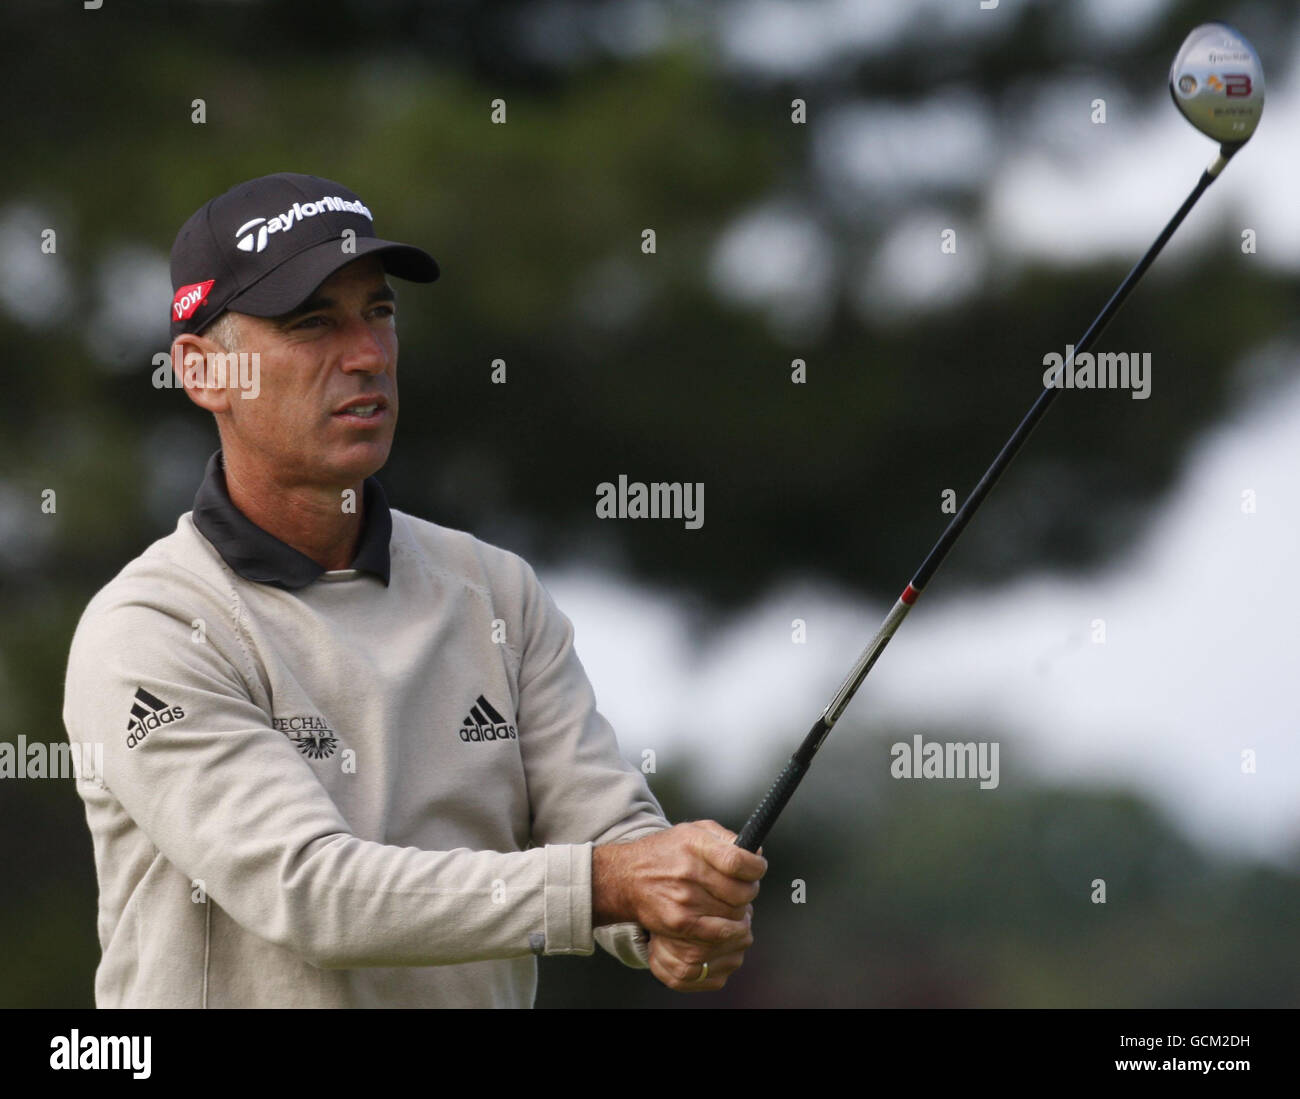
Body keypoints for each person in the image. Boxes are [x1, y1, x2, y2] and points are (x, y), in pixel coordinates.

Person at [61, 172, 766, 1008]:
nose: (365, 354)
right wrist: (610, 887)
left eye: (379, 312)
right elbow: (313, 892)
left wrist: (673, 909)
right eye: (311, 322)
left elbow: (607, 834)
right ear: (203, 370)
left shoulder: (496, 590)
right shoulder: (151, 628)